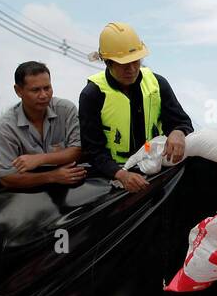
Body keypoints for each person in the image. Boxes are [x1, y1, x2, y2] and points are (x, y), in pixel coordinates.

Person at [79, 22, 193, 193]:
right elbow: (93, 150)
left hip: (153, 166)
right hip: (111, 174)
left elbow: (181, 121)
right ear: (108, 62)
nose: (132, 69)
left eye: (136, 61)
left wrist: (178, 132)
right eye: (124, 64)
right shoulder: (92, 94)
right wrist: (121, 174)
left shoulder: (157, 84)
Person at [0, 61, 85, 190]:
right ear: (18, 91)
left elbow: (77, 151)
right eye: (35, 90)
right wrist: (52, 176)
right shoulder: (5, 128)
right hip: (25, 199)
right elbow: (6, 178)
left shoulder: (66, 109)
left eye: (47, 88)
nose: (43, 95)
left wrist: (39, 159)